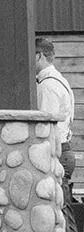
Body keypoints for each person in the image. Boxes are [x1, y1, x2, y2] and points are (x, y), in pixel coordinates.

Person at [35, 36, 75, 196]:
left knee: (59, 206)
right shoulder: (58, 80)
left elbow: (46, 126)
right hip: (63, 149)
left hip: (56, 152)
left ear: (39, 56)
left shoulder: (47, 85)